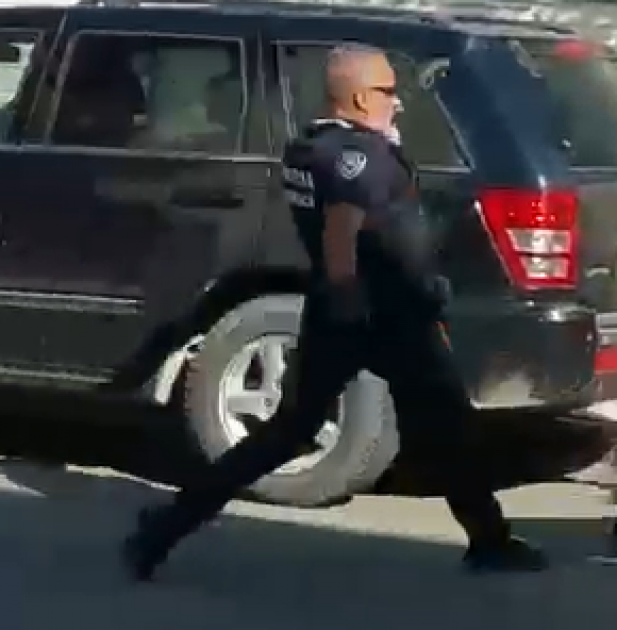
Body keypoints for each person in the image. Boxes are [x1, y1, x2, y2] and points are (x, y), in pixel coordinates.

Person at [120, 43, 548, 580]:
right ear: (362, 96)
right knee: (449, 428)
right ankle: (490, 543)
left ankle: (162, 530)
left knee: (292, 431)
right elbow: (341, 229)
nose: (399, 103)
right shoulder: (357, 157)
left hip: (344, 312)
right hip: (381, 316)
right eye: (391, 92)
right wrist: (353, 295)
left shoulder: (313, 147)